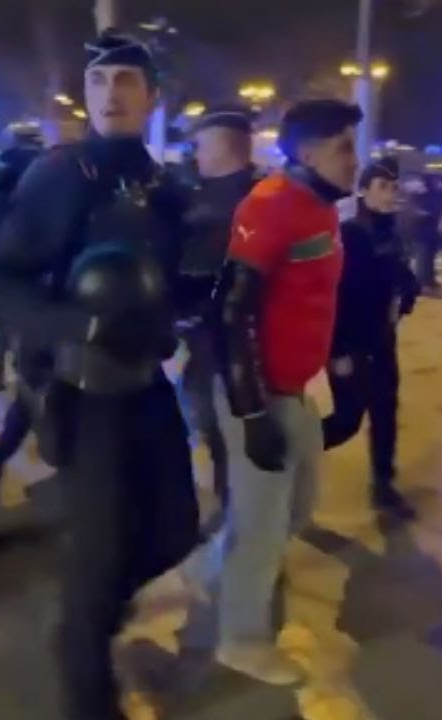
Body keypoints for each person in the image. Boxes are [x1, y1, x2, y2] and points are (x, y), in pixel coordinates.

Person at [0, 32, 200, 720]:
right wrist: (78, 326)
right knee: (97, 558)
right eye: (100, 83)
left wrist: (192, 304)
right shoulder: (61, 174)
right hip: (80, 390)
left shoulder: (164, 184)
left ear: (153, 98)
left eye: (128, 81)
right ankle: (85, 681)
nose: (113, 94)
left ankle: (89, 618)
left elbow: (180, 283)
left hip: (145, 381)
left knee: (176, 530)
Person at [186, 98, 360, 685]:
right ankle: (242, 639)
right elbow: (231, 315)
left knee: (299, 505)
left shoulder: (322, 208)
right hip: (257, 392)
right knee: (261, 527)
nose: (355, 160)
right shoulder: (271, 206)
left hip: (296, 389)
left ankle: (214, 569)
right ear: (307, 151)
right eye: (345, 147)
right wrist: (251, 409)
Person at [322, 157, 419, 519]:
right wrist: (336, 351)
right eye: (382, 187)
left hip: (382, 341)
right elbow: (332, 296)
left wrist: (406, 298)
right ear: (363, 192)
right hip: (350, 344)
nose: (390, 194)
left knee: (385, 412)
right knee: (348, 418)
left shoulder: (390, 233)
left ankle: (383, 484)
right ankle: (294, 458)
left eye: (393, 187)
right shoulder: (350, 235)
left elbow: (404, 278)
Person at [178, 103, 260, 519]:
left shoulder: (255, 202)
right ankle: (232, 501)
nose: (197, 155)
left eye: (202, 146)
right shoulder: (200, 193)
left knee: (230, 426)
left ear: (225, 149)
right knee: (203, 413)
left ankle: (238, 513)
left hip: (234, 343)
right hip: (201, 336)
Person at [0, 125, 47, 502]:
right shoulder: (42, 181)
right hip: (45, 303)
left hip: (21, 300)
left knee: (28, 394)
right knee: (36, 396)